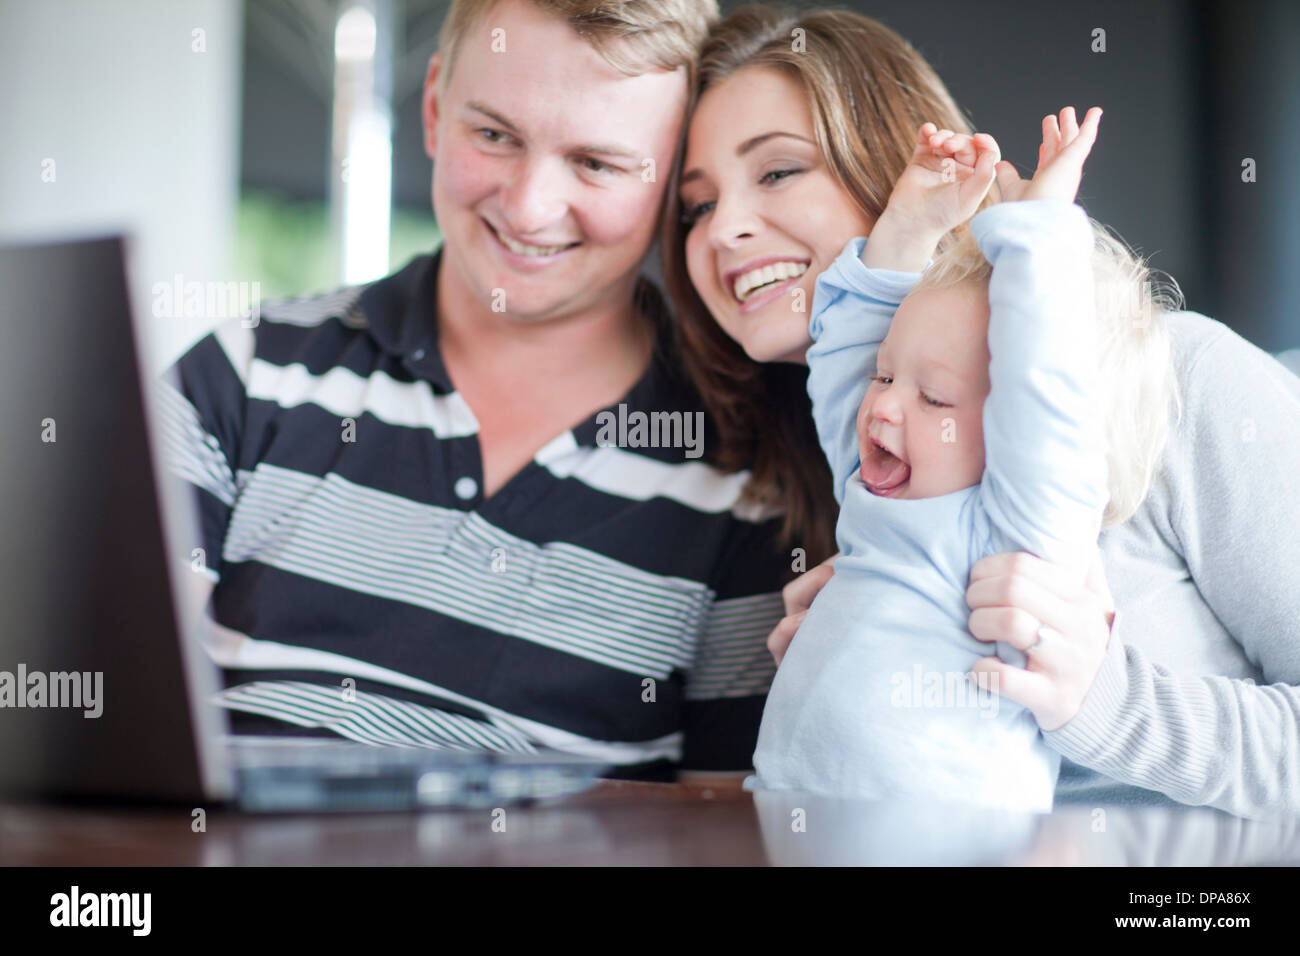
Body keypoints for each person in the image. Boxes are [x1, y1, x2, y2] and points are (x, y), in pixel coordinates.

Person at [665, 5, 1300, 819]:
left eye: (779, 171)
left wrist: (1106, 698)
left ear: (901, 164)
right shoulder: (848, 467)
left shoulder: (1175, 373)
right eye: (696, 206)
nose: (726, 229)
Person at [157, 0, 793, 783]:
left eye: (597, 163)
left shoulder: (743, 479)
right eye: (493, 135)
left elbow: (725, 830)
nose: (527, 207)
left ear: (674, 183)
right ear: (432, 109)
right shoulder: (243, 373)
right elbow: (104, 700)